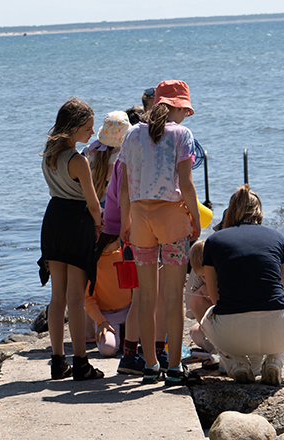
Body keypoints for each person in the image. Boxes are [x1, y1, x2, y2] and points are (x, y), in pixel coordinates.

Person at [120, 80, 203, 384]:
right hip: (171, 219)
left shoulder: (132, 134)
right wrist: (196, 219)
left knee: (144, 297)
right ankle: (175, 367)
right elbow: (188, 184)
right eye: (185, 110)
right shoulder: (182, 135)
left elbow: (126, 185)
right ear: (177, 107)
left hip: (141, 218)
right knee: (173, 298)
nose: (186, 117)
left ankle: (151, 365)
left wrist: (125, 222)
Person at [200, 184, 284, 386]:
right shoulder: (277, 237)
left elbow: (215, 299)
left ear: (230, 211)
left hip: (231, 336)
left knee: (208, 316)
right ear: (259, 211)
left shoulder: (213, 241)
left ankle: (237, 363)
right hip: (278, 334)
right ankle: (275, 360)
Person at [37, 97, 104, 381]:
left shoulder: (49, 154)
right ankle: (81, 362)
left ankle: (57, 361)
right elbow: (91, 202)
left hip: (54, 220)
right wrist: (100, 224)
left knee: (57, 298)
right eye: (88, 128)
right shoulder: (78, 160)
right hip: (77, 222)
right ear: (74, 127)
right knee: (77, 298)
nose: (92, 133)